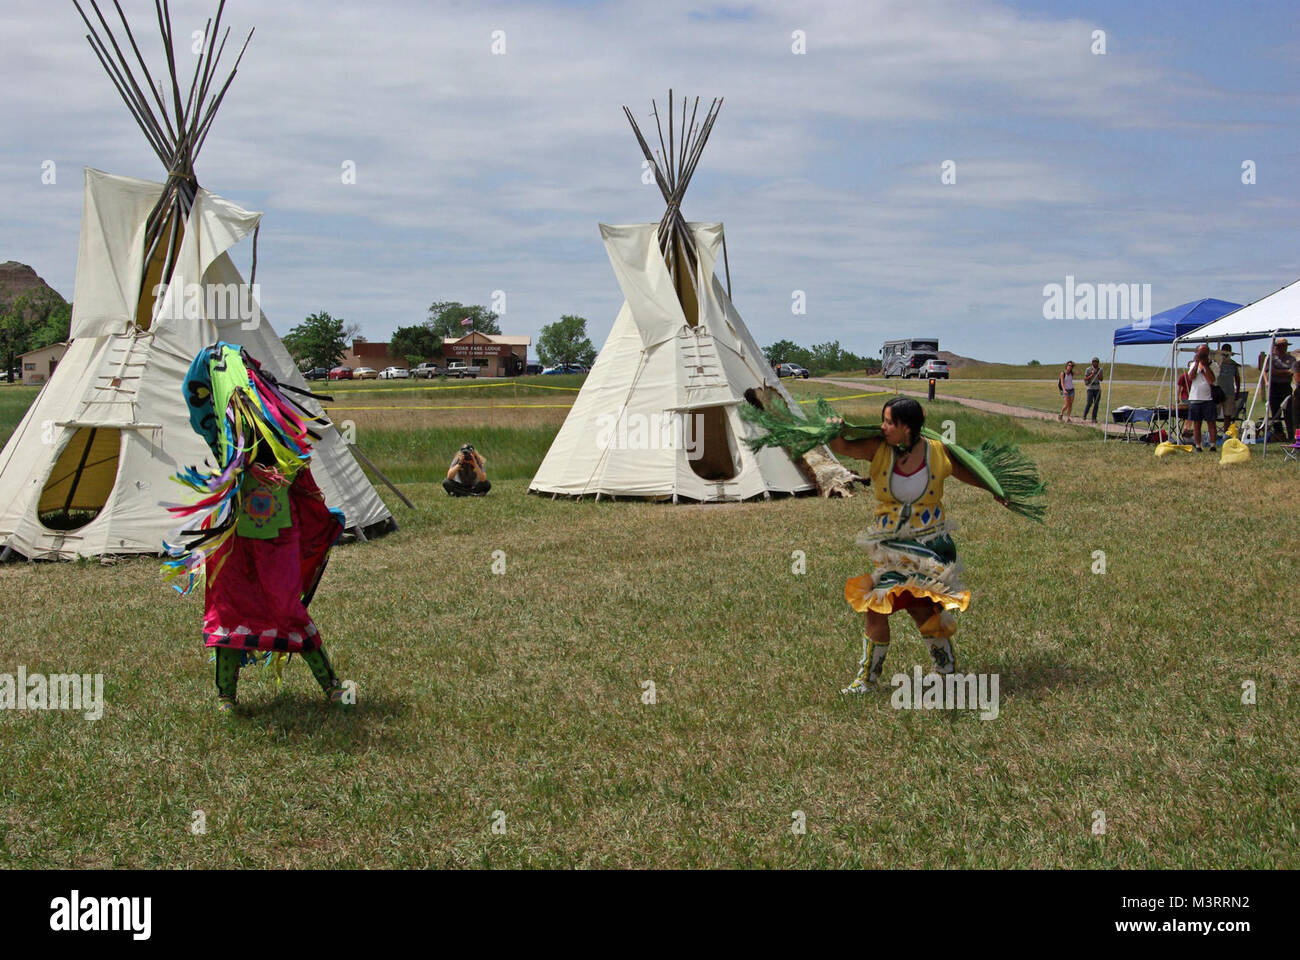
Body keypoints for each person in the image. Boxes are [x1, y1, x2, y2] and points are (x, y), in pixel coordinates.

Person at [163, 343, 349, 714]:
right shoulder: (226, 444)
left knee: (287, 610)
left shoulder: (288, 449)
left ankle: (331, 686)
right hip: (232, 540)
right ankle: (226, 696)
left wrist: (324, 519)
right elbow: (195, 385)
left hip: (278, 541)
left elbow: (307, 491)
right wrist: (224, 357)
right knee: (228, 611)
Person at [1185, 344, 1218, 451]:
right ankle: (1198, 445)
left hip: (1209, 398)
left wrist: (1205, 366)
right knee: (1197, 423)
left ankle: (1213, 445)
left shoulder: (1214, 365)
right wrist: (1197, 363)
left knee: (1211, 422)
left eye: (1205, 352)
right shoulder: (1194, 364)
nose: (1203, 354)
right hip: (1195, 397)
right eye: (1201, 352)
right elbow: (1191, 377)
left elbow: (1212, 380)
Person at [1264, 338, 1296, 440]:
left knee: (1289, 411)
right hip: (1274, 387)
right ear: (1277, 347)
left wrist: (1280, 372)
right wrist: (1286, 371)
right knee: (1275, 411)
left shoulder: (1291, 358)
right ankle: (1279, 434)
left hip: (1285, 386)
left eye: (1285, 346)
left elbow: (1293, 371)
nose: (1284, 348)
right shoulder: (1271, 358)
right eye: (1282, 346)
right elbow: (1270, 371)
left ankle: (1291, 434)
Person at [1215, 344, 1240, 434]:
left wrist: (1237, 391)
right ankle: (1213, 433)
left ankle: (1226, 433)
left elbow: (1237, 378)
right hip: (1217, 392)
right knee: (1214, 414)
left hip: (1229, 391)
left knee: (1228, 414)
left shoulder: (1233, 364)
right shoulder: (1216, 362)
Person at [1082, 357, 1104, 423]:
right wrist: (1091, 374)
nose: (1095, 363)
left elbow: (1101, 379)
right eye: (1094, 362)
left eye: (1096, 362)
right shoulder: (1088, 369)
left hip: (1097, 388)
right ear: (1092, 362)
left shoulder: (1100, 369)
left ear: (1098, 363)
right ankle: (1084, 414)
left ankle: (1094, 418)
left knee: (1096, 404)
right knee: (1089, 402)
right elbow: (1085, 378)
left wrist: (1098, 374)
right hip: (1090, 388)